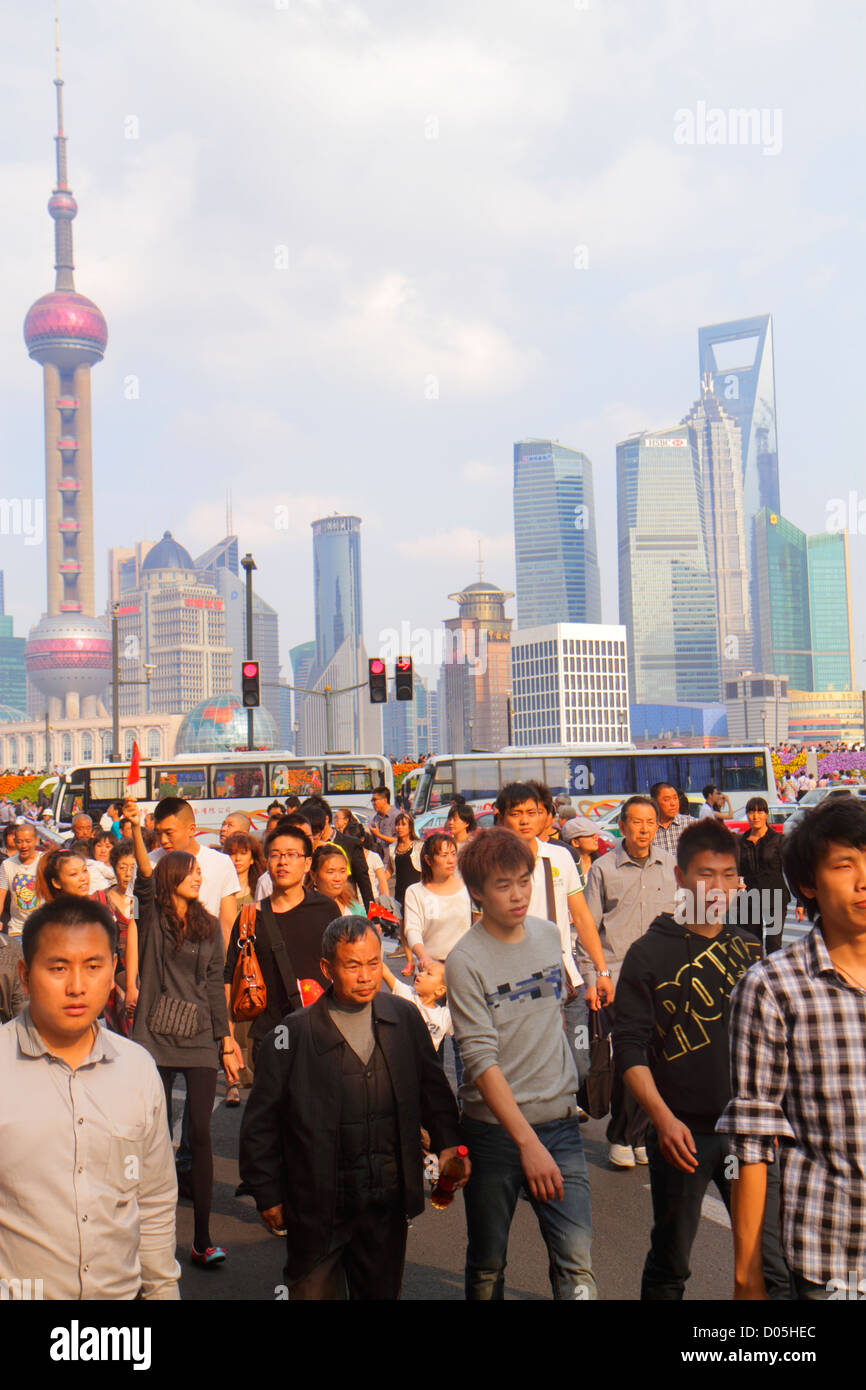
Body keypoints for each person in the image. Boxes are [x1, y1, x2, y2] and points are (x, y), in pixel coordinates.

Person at [238, 916, 464, 1299]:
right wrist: (267, 1191)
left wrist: (448, 1145)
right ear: (327, 968)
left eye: (373, 964)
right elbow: (262, 1119)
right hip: (316, 1203)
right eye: (352, 965)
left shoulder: (405, 1018)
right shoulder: (292, 1033)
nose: (365, 976)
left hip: (385, 1201)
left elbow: (433, 1091)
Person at [613, 820, 790, 1300]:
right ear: (679, 876)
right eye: (705, 875)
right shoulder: (646, 955)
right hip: (682, 1135)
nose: (718, 888)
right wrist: (662, 1120)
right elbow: (628, 1046)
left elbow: (779, 1045)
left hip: (749, 1138)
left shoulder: (753, 951)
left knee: (771, 1266)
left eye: (729, 875)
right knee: (672, 1263)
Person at [718, 797, 866, 1300]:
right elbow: (752, 1140)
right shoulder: (772, 987)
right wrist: (747, 1275)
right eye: (844, 865)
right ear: (808, 884)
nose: (863, 880)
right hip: (831, 1256)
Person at [0, 896, 180, 1299]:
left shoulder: (137, 1068)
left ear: (113, 970)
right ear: (25, 976)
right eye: (58, 968)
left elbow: (152, 1200)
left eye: (93, 967)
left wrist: (163, 1290)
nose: (77, 986)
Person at [447, 828, 596, 1301]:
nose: (518, 895)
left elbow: (549, 1019)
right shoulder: (464, 960)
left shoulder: (551, 935)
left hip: (561, 1124)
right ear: (476, 892)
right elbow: (479, 1058)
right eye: (502, 885)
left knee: (577, 1267)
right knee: (488, 1264)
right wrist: (526, 1142)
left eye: (524, 881)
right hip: (494, 1135)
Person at [127, 800, 237, 1267]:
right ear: (172, 877)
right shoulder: (152, 917)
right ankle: (134, 1235)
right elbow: (146, 880)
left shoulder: (209, 926)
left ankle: (202, 1239)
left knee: (199, 1133)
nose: (199, 877)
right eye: (191, 872)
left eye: (199, 871)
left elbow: (214, 985)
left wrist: (226, 1038)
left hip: (196, 1041)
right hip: (151, 1039)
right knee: (145, 1135)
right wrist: (136, 829)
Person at [583, 796, 677, 1167]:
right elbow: (588, 929)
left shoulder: (671, 866)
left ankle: (639, 1135)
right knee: (630, 1057)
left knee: (658, 1059)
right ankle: (621, 1136)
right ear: (621, 826)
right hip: (619, 978)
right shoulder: (604, 869)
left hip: (666, 978)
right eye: (636, 822)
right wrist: (593, 976)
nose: (643, 829)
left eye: (650, 822)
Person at [223, 824, 341, 1061]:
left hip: (321, 1028)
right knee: (276, 1096)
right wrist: (228, 1040)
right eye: (275, 855)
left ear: (307, 864)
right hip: (274, 1032)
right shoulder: (249, 917)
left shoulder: (326, 909)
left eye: (291, 855)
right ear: (267, 862)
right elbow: (229, 978)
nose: (282, 862)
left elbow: (342, 965)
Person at [150, 797, 240, 949]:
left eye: (169, 833)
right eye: (158, 833)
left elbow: (227, 924)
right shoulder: (148, 864)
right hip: (160, 956)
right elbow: (136, 917)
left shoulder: (220, 863)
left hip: (206, 956)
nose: (163, 840)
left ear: (191, 829)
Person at [403, 832, 473, 971]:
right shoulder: (415, 892)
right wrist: (423, 957)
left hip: (462, 966)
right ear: (428, 860)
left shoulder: (467, 888)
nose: (451, 860)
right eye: (444, 855)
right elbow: (412, 929)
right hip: (430, 967)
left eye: (453, 854)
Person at [736, 797, 790, 954]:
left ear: (766, 814)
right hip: (750, 899)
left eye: (760, 811)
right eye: (751, 812)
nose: (755, 816)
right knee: (753, 945)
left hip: (776, 898)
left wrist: (800, 901)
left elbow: (790, 870)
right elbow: (736, 869)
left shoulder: (778, 840)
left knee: (773, 944)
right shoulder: (741, 842)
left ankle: (773, 977)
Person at [302, 798, 373, 909]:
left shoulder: (350, 844)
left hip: (346, 907)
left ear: (325, 819)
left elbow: (364, 884)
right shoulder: (304, 847)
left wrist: (373, 917)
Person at [380, 956, 452, 1061]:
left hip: (424, 1067)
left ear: (440, 990)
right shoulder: (407, 993)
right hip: (397, 1059)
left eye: (429, 973)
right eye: (422, 971)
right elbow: (385, 972)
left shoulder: (444, 1016)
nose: (420, 974)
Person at [0, 823, 43, 941]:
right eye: (19, 841)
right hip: (17, 930)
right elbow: (1, 895)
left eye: (28, 841)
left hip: (44, 929)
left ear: (36, 841)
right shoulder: (7, 865)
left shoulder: (45, 861)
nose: (23, 845)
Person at [310, 842, 365, 916]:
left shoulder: (355, 910)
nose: (337, 878)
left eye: (342, 871)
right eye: (330, 872)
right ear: (313, 875)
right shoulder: (305, 910)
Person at [223, 831, 266, 905]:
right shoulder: (219, 888)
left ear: (252, 859)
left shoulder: (261, 888)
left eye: (243, 853)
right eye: (233, 853)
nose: (238, 858)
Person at [650, 781, 693, 857]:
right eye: (666, 800)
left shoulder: (691, 824)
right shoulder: (648, 828)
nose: (673, 804)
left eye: (675, 798)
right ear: (654, 802)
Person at [392, 812, 422, 909]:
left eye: (403, 825)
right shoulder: (392, 847)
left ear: (410, 827)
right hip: (399, 892)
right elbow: (389, 869)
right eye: (397, 825)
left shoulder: (419, 846)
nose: (399, 828)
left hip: (416, 891)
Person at [561, 816, 602, 885]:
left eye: (596, 834)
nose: (596, 837)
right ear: (575, 842)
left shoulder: (602, 864)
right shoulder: (564, 867)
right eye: (589, 835)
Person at [369, 786, 399, 870]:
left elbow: (400, 840)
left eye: (375, 800)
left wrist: (379, 835)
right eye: (372, 800)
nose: (373, 803)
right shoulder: (376, 819)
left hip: (393, 864)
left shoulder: (397, 816)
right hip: (380, 863)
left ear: (385, 800)